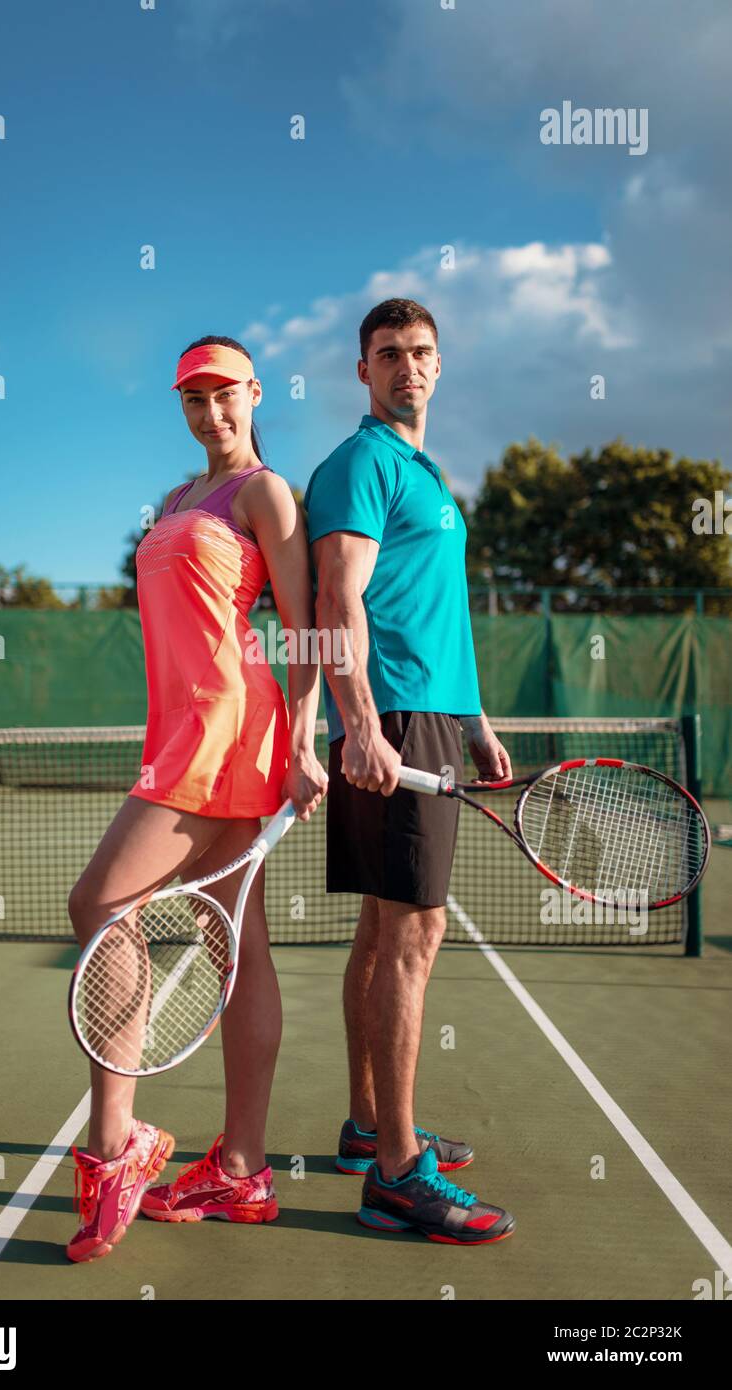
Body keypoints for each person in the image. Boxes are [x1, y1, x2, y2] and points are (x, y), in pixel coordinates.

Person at [66, 336, 327, 1261]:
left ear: (255, 395)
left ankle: (117, 1143)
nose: (210, 413)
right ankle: (245, 1171)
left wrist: (302, 738)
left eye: (225, 396)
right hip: (179, 723)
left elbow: (304, 630)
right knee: (232, 937)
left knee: (98, 905)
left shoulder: (266, 493)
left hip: (230, 723)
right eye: (193, 400)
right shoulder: (177, 500)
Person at [304, 298, 516, 1245]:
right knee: (415, 935)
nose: (407, 367)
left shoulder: (426, 476)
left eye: (421, 353)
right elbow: (337, 599)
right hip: (387, 721)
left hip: (427, 715)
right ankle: (395, 1171)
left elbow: (436, 609)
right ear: (363, 370)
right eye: (387, 354)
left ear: (440, 365)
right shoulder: (359, 464)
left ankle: (363, 1127)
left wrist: (472, 719)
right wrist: (358, 725)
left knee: (383, 927)